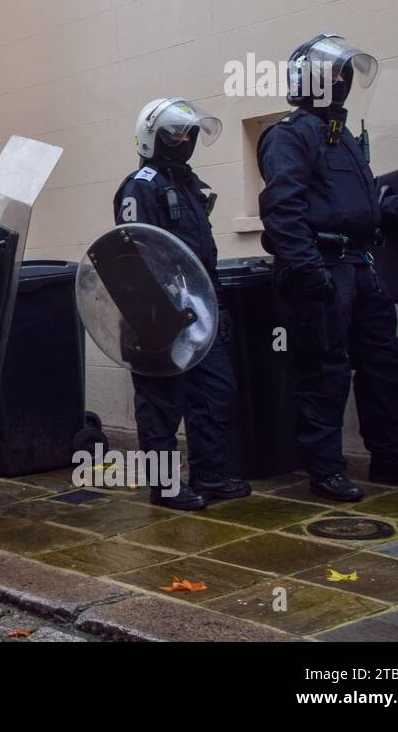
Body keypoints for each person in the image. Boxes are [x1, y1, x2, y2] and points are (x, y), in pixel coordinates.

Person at [258, 33, 398, 501]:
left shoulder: (344, 135)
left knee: (385, 363)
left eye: (345, 73)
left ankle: (390, 459)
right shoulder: (289, 134)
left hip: (360, 266)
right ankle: (326, 471)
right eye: (335, 73)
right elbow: (282, 210)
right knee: (325, 372)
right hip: (322, 268)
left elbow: (362, 205)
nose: (343, 80)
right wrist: (306, 267)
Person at [114, 99, 251, 510]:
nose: (185, 140)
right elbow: (132, 252)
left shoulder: (188, 183)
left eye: (189, 133)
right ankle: (165, 486)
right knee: (161, 403)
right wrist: (157, 314)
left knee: (215, 392)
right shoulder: (141, 185)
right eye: (175, 133)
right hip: (157, 311)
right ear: (151, 136)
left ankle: (210, 474)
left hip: (200, 308)